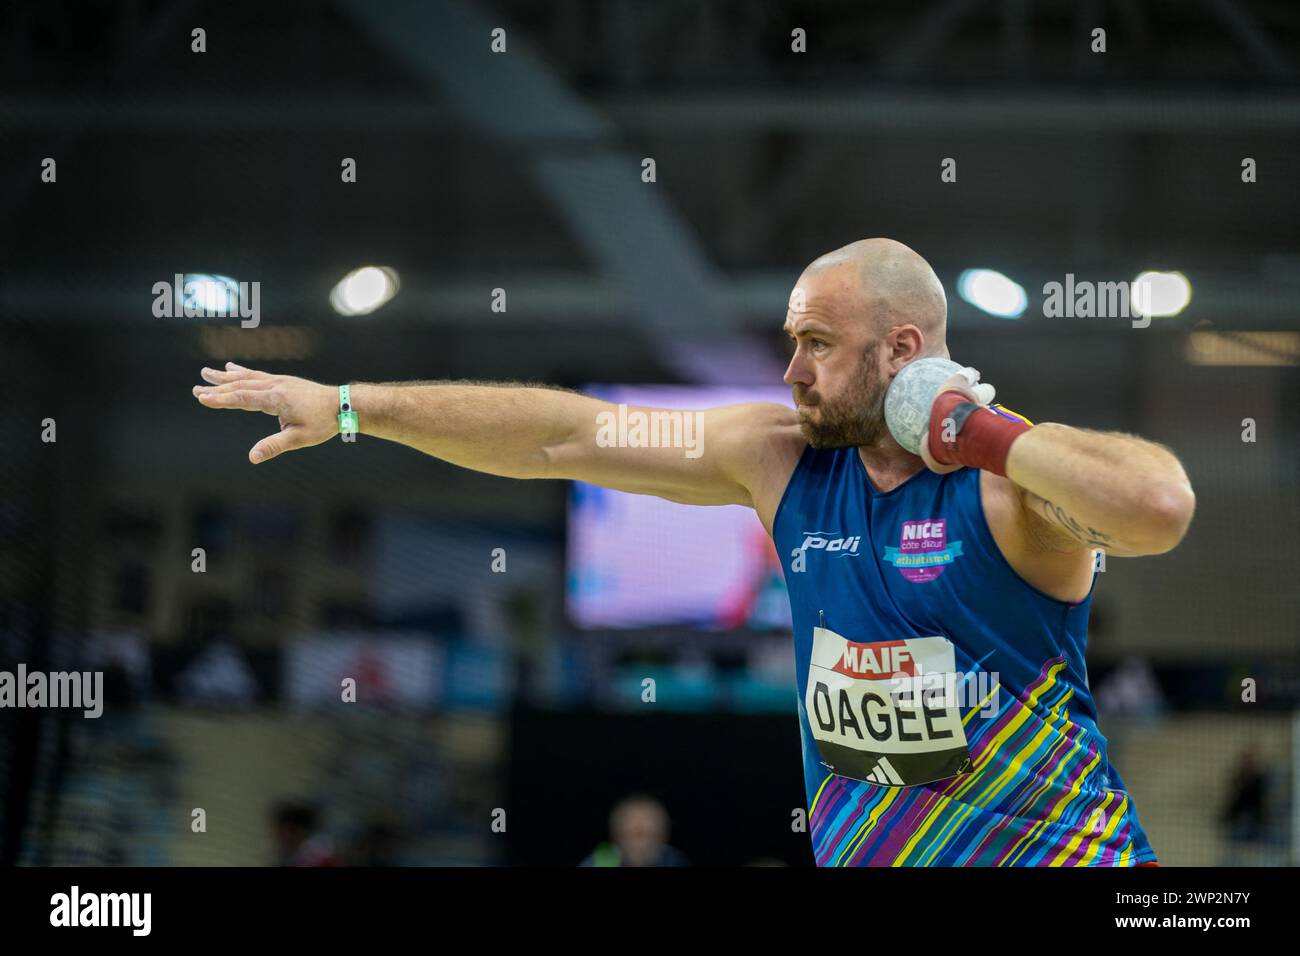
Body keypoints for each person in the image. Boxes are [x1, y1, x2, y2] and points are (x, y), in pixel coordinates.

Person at [195, 238, 1195, 866]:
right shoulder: (775, 458)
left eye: (816, 342)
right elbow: (563, 434)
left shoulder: (1005, 488)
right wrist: (348, 406)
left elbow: (1156, 504)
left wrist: (979, 428)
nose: (791, 367)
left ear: (901, 351)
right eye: (791, 341)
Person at [580, 795, 688, 867]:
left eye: (653, 835)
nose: (643, 844)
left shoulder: (673, 858)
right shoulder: (601, 861)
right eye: (636, 834)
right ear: (617, 835)